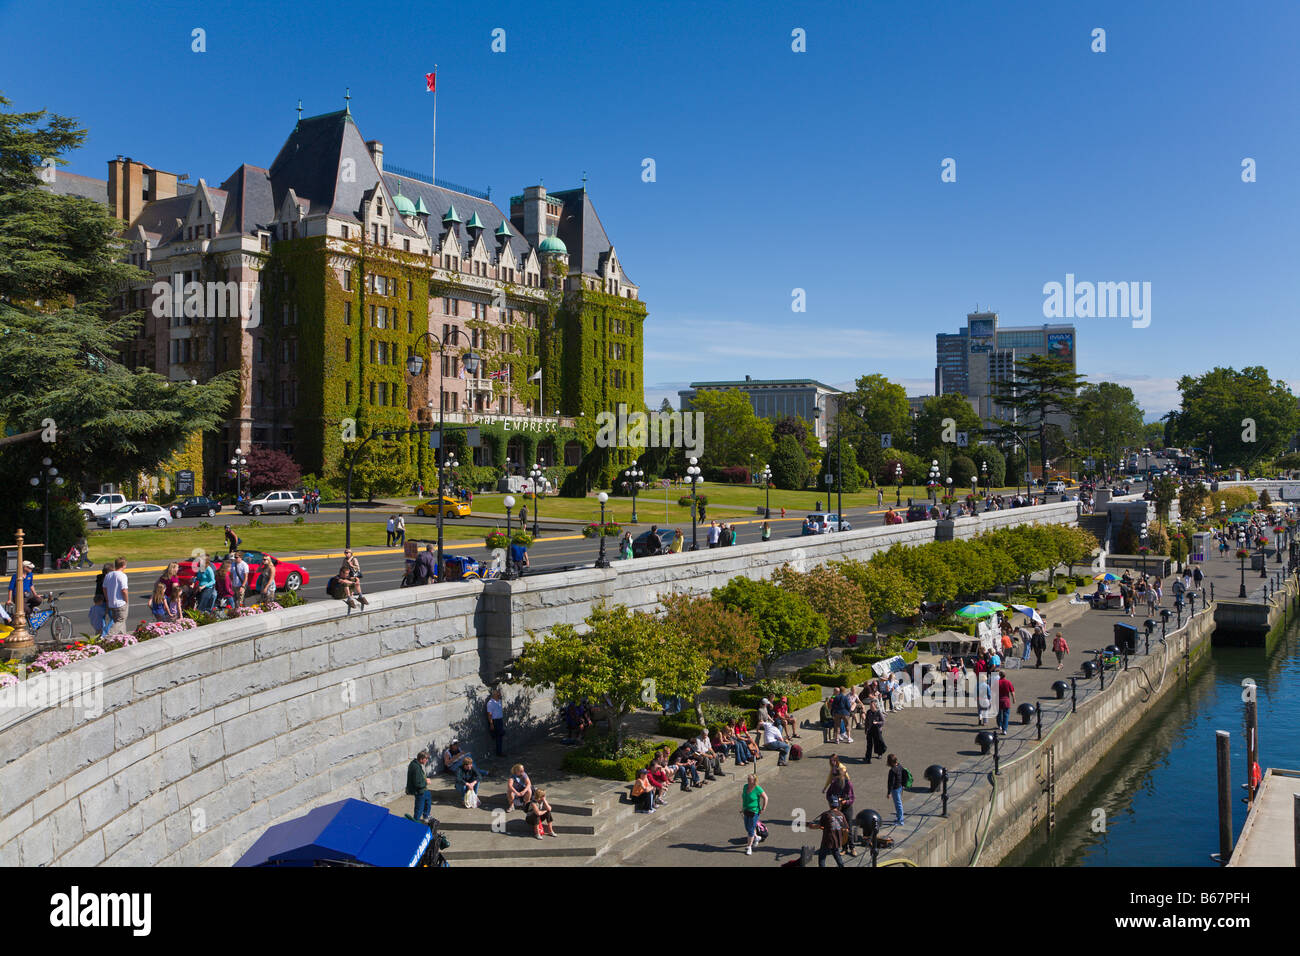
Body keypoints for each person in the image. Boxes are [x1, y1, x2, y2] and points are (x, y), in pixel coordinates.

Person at [812, 797, 849, 867]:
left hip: (827, 840)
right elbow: (846, 829)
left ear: (829, 804)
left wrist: (811, 826)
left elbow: (819, 826)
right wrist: (843, 840)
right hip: (837, 840)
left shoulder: (826, 814)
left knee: (822, 858)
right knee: (837, 855)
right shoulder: (841, 814)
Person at [103, 557, 129, 636]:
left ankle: (122, 637)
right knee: (120, 621)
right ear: (123, 565)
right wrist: (126, 601)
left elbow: (104, 588)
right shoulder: (122, 576)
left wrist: (107, 599)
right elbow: (124, 590)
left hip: (111, 603)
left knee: (120, 622)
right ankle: (108, 635)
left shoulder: (108, 575)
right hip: (120, 602)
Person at [742, 774, 766, 856]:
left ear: (754, 780)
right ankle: (757, 837)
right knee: (747, 827)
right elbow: (744, 798)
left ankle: (749, 847)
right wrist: (743, 808)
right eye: (748, 779)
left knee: (751, 829)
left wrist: (763, 808)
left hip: (754, 811)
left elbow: (766, 798)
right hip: (746, 810)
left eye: (750, 779)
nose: (748, 781)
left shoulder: (757, 789)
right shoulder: (745, 787)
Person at [407, 751, 433, 822]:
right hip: (420, 791)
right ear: (421, 759)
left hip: (423, 790)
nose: (427, 760)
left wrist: (424, 779)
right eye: (426, 759)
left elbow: (418, 778)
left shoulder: (415, 764)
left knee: (428, 798)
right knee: (419, 808)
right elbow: (417, 783)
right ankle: (415, 822)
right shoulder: (416, 768)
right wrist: (426, 782)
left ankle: (426, 815)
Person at [864, 699, 887, 763]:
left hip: (877, 730)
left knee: (878, 743)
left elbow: (883, 721)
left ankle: (880, 754)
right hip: (870, 730)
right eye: (870, 706)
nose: (871, 707)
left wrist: (877, 723)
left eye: (872, 706)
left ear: (875, 706)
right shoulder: (868, 712)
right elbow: (866, 721)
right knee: (869, 744)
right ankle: (868, 757)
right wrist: (866, 730)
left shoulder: (878, 712)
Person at [886, 753, 906, 826]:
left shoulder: (892, 771)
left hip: (895, 789)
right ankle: (899, 818)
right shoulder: (899, 766)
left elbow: (890, 783)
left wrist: (889, 793)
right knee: (898, 803)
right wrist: (903, 784)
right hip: (900, 786)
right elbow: (904, 775)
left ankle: (900, 821)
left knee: (898, 804)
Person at [486, 687, 505, 756]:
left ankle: (499, 751)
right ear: (494, 695)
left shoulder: (499, 701)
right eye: (498, 693)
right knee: (498, 737)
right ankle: (499, 752)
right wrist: (491, 724)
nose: (499, 694)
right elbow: (489, 714)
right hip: (495, 721)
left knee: (500, 736)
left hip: (500, 720)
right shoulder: (490, 703)